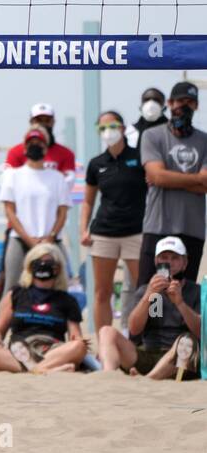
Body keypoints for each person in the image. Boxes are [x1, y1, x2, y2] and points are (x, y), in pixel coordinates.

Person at [97, 236, 200, 378]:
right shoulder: (151, 292)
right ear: (156, 261)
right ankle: (108, 377)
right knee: (106, 331)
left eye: (174, 258)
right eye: (164, 258)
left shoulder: (196, 291)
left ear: (185, 262)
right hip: (150, 354)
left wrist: (180, 303)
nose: (169, 262)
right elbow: (134, 329)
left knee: (187, 341)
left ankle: (149, 379)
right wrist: (149, 295)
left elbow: (201, 332)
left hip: (181, 361)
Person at [80, 110, 145, 332]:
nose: (108, 132)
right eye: (102, 128)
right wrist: (84, 230)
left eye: (113, 126)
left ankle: (152, 339)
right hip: (104, 233)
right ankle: (104, 343)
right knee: (101, 292)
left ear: (123, 128)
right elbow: (88, 201)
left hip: (137, 232)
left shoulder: (141, 156)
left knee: (149, 290)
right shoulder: (96, 164)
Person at [138, 80, 207, 287]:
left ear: (196, 106)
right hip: (159, 227)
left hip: (191, 229)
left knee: (183, 289)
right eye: (179, 101)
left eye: (190, 102)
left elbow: (161, 177)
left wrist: (166, 178)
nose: (184, 106)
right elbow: (157, 176)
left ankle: (178, 321)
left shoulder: (204, 140)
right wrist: (197, 180)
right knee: (156, 288)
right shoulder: (152, 135)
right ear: (170, 103)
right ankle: (157, 320)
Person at [0, 244, 87, 373]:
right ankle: (42, 368)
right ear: (29, 266)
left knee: (80, 346)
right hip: (20, 349)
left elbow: (75, 337)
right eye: (38, 262)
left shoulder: (67, 300)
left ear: (58, 268)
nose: (43, 265)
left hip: (52, 349)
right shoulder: (16, 294)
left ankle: (36, 368)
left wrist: (77, 343)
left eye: (48, 262)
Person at [0, 128, 71, 299]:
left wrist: (50, 237)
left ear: (46, 148)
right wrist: (29, 240)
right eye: (31, 143)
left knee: (61, 285)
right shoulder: (13, 176)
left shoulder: (57, 178)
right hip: (20, 240)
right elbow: (10, 211)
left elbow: (62, 212)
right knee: (11, 287)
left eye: (39, 143)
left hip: (52, 241)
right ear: (25, 148)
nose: (35, 146)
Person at [3, 103, 77, 177]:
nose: (42, 124)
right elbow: (9, 180)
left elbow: (66, 183)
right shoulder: (15, 153)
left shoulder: (66, 154)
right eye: (38, 120)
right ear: (31, 122)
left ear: (53, 122)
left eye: (47, 120)